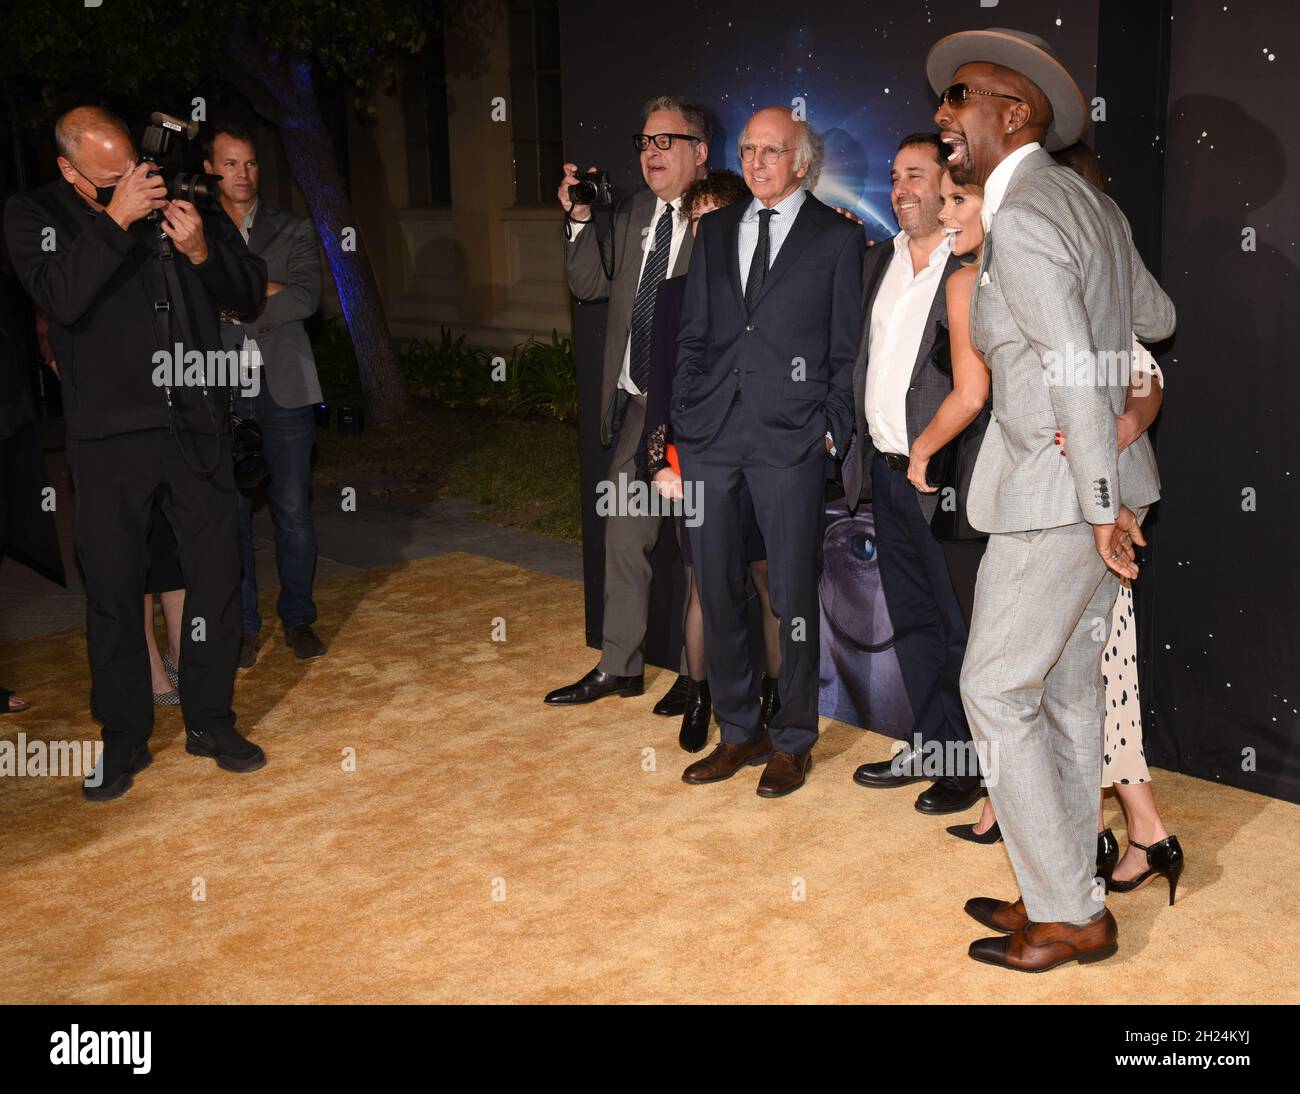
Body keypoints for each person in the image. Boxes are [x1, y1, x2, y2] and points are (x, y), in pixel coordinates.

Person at [928, 28, 1175, 970]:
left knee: (993, 687)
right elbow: (1154, 319)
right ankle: (1061, 887)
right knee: (1067, 694)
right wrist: (1127, 405)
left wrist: (1101, 502)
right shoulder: (1085, 204)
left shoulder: (1026, 213)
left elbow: (1075, 362)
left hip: (1063, 500)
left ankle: (1072, 913)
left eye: (961, 98)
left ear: (1015, 114)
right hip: (1095, 493)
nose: (944, 115)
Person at [5, 106, 269, 801]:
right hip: (109, 440)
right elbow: (60, 296)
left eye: (133, 167)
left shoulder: (180, 200)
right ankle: (124, 741)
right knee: (115, 594)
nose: (133, 181)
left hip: (197, 426)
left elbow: (247, 293)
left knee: (216, 579)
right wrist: (113, 218)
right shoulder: (34, 215)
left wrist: (202, 254)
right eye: (109, 176)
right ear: (67, 169)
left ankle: (210, 720)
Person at [673, 106, 864, 797]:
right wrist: (684, 419)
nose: (756, 163)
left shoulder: (838, 242)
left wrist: (830, 429)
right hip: (712, 436)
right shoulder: (716, 229)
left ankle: (792, 739)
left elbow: (846, 354)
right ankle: (739, 729)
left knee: (789, 594)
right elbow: (694, 336)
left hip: (790, 441)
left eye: (771, 151)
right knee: (716, 587)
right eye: (748, 150)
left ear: (802, 161)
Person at [544, 96, 709, 712]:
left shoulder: (720, 219)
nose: (651, 153)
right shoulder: (631, 213)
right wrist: (581, 217)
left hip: (697, 421)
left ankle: (701, 677)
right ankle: (621, 666)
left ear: (700, 150)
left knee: (702, 554)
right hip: (638, 411)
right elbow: (587, 285)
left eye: (666, 141)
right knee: (623, 541)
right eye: (644, 142)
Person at [844, 134, 989, 814]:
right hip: (885, 469)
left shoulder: (973, 266)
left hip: (948, 478)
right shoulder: (880, 261)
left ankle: (976, 770)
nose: (902, 188)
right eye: (896, 176)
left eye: (917, 176)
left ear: (946, 187)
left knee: (959, 627)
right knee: (913, 624)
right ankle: (937, 748)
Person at [637, 169, 781, 752]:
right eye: (696, 221)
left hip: (766, 461)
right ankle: (700, 697)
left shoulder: (768, 288)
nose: (706, 232)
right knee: (704, 585)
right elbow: (660, 389)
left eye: (716, 218)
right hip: (699, 462)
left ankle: (772, 697)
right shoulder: (673, 294)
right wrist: (659, 463)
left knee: (770, 582)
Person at [203, 122, 327, 667]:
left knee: (294, 512)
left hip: (287, 387)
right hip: (221, 388)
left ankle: (299, 617)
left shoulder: (293, 227)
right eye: (230, 163)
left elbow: (304, 299)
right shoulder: (193, 230)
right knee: (230, 517)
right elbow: (189, 303)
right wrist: (262, 289)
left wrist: (233, 298)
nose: (242, 174)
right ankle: (245, 626)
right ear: (210, 169)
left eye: (250, 163)